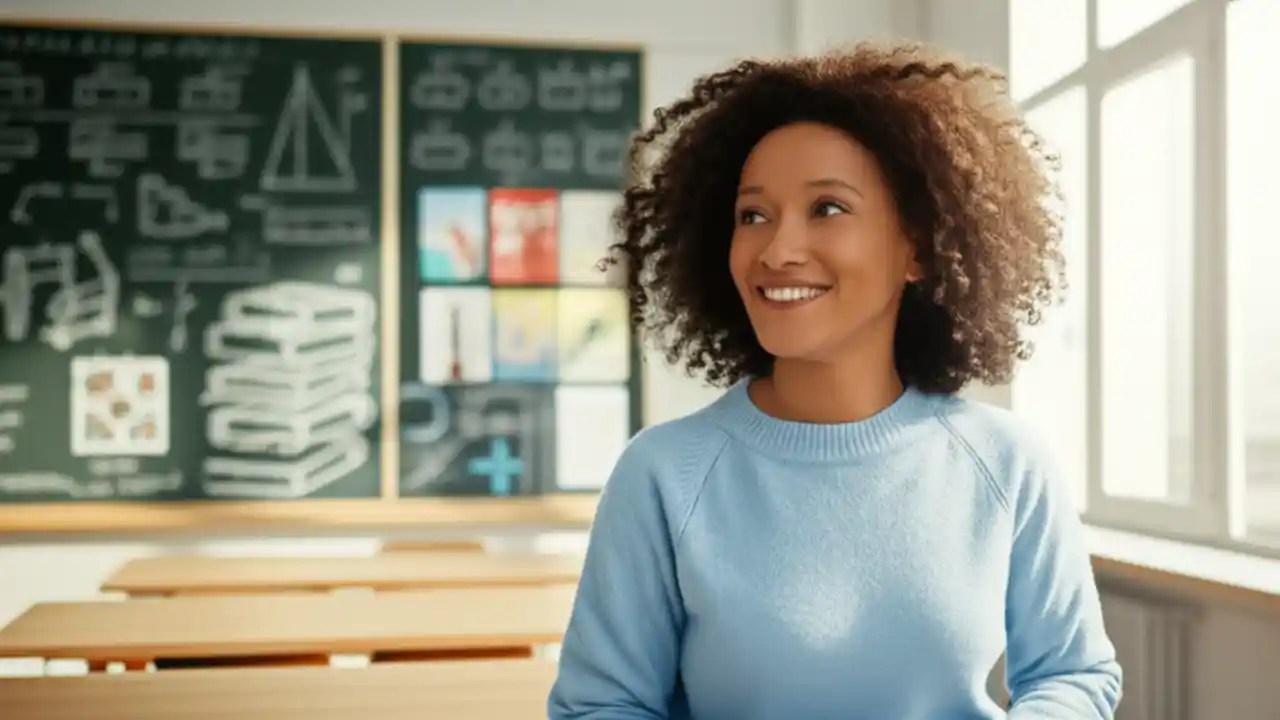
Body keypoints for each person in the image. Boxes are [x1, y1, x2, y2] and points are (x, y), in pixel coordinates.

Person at [547, 42, 1122, 719]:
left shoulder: (1006, 463)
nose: (777, 249)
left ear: (918, 248)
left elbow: (1074, 673)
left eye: (827, 208)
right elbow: (600, 706)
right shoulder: (663, 475)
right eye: (753, 215)